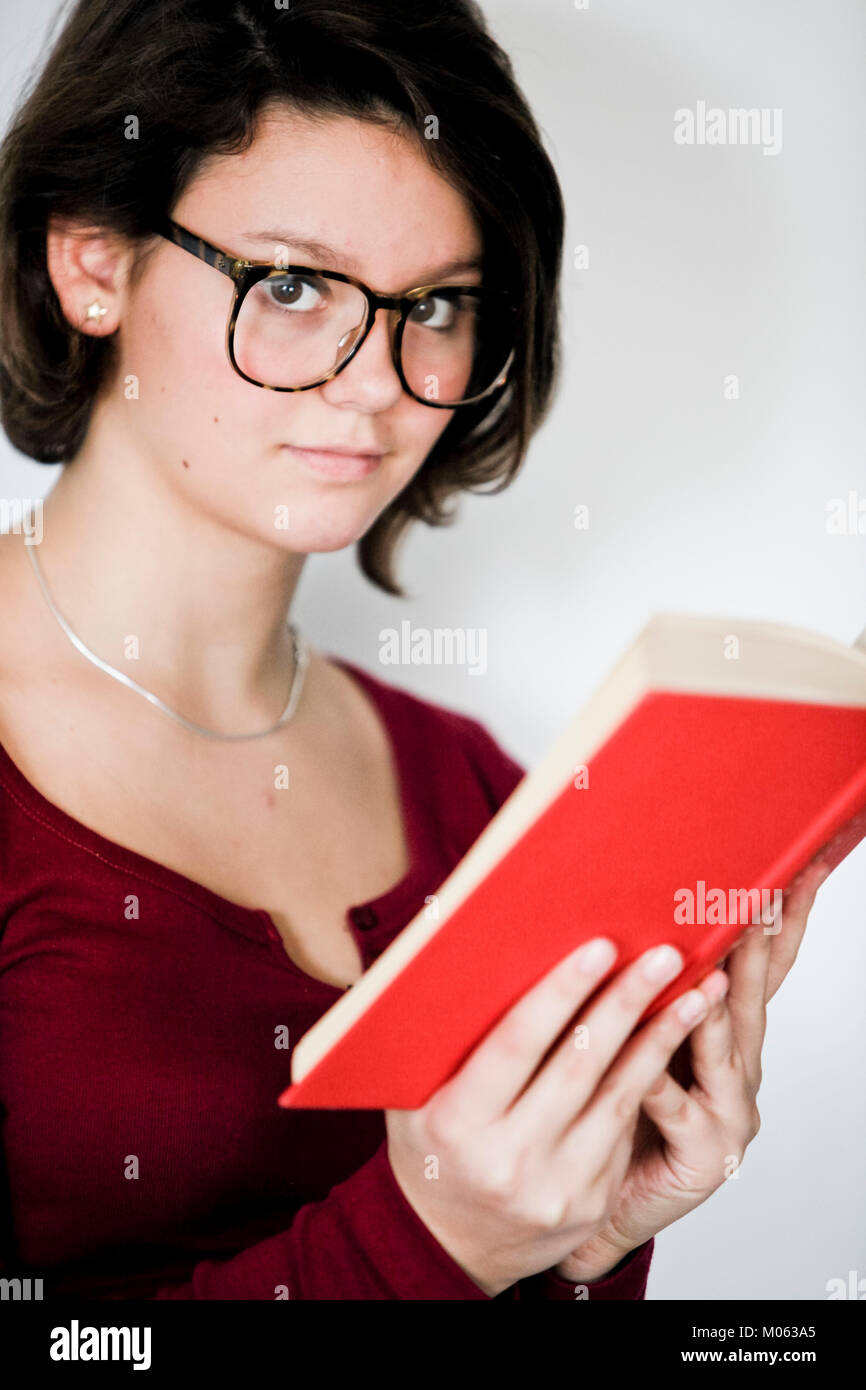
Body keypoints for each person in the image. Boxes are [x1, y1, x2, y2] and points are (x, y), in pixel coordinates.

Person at [0, 0, 827, 1300]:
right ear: (91, 263)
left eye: (434, 305)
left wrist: (584, 1245)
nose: (378, 379)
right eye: (288, 284)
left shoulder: (484, 798)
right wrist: (431, 1241)